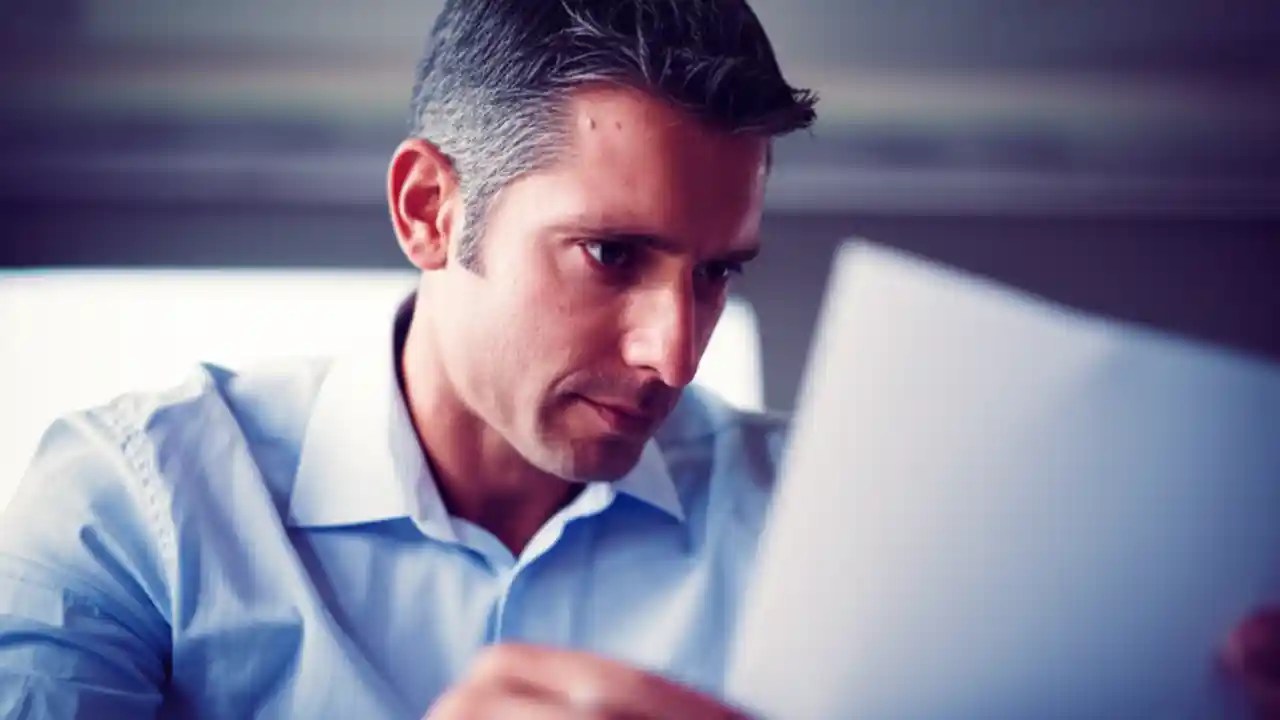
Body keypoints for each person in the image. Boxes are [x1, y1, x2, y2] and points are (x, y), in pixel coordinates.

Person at [1, 1, 1276, 719]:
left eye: (718, 272)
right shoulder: (133, 507)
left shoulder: (853, 536)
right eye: (610, 254)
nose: (675, 350)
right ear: (429, 211)